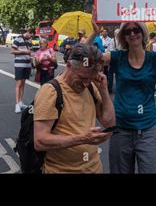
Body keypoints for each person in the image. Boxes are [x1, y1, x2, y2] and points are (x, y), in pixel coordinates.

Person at [89, 7, 156, 173]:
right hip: (120, 130)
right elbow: (83, 59)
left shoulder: (154, 58)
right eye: (128, 31)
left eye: (136, 29)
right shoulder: (116, 57)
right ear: (123, 36)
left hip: (146, 131)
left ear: (143, 33)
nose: (132, 34)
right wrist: (93, 34)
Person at [33, 44, 115, 173]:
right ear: (69, 66)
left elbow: (109, 123)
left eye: (91, 78)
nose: (86, 83)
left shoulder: (91, 87)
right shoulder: (50, 92)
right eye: (82, 77)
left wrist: (103, 90)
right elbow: (40, 141)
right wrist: (83, 138)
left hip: (94, 168)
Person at [11, 28, 35, 113]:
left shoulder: (29, 41)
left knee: (23, 84)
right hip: (19, 65)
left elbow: (30, 52)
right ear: (28, 32)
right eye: (30, 36)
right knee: (19, 84)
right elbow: (12, 51)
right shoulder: (18, 39)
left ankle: (21, 102)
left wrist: (33, 57)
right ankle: (17, 104)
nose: (31, 38)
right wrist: (25, 51)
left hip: (27, 65)